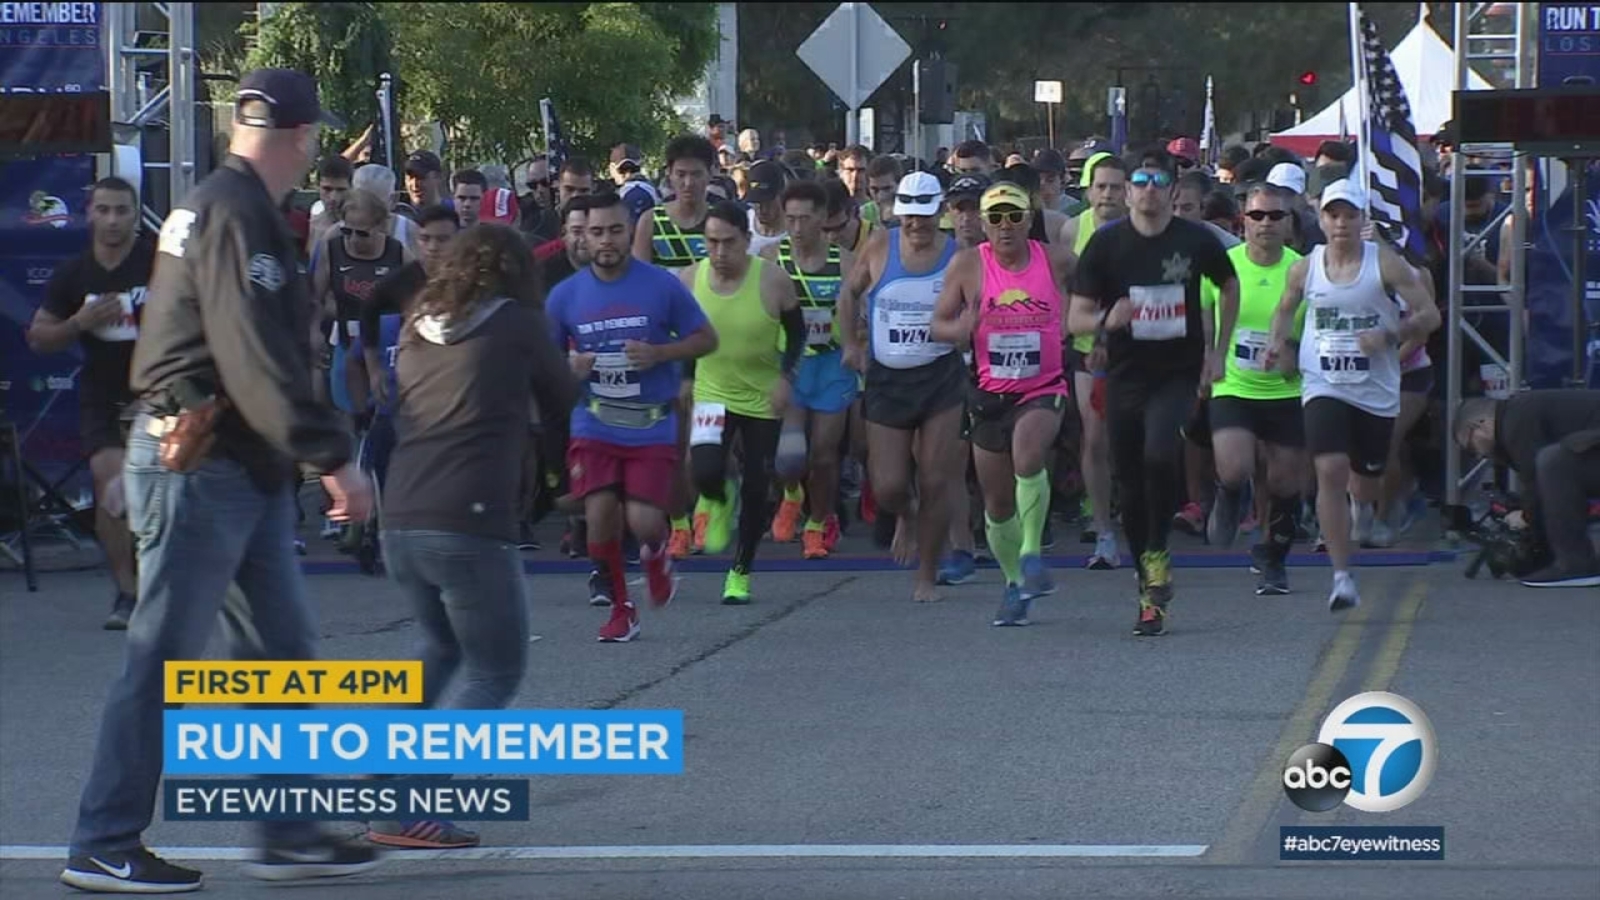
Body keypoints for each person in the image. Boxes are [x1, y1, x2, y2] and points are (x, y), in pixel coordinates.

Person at [61, 68, 379, 894]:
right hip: (202, 463)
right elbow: (256, 360)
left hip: (236, 463)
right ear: (303, 137)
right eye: (313, 137)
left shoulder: (217, 203)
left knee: (281, 652)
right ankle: (103, 838)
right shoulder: (236, 214)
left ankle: (289, 832)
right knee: (163, 657)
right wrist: (335, 457)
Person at [370, 224, 577, 848]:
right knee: (496, 669)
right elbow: (562, 395)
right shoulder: (513, 323)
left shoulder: (415, 326)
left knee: (438, 649)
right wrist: (576, 370)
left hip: (401, 512)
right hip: (470, 516)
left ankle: (382, 782)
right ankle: (407, 804)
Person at [1068, 149, 1239, 637]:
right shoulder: (1105, 246)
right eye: (1138, 182)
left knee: (1161, 454)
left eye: (1156, 181)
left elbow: (1228, 287)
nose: (1146, 189)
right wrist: (1106, 320)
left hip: (1177, 372)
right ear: (1126, 193)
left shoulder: (1194, 239)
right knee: (1129, 480)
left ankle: (1159, 551)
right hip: (1125, 374)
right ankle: (1149, 588)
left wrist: (1217, 350)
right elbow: (1074, 318)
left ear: (1171, 190)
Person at [547, 192, 719, 641]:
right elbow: (542, 363)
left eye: (615, 231)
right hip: (594, 420)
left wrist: (661, 352)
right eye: (596, 232)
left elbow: (706, 339)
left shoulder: (661, 285)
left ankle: (657, 552)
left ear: (630, 233)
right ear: (583, 236)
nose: (606, 241)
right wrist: (569, 366)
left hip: (650, 421)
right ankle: (622, 609)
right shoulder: (565, 296)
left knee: (644, 520)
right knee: (600, 514)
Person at [1267, 179, 1439, 612]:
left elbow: (1430, 315)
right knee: (1330, 469)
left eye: (1349, 215)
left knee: (1365, 481)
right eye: (1333, 215)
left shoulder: (1386, 264)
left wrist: (1390, 334)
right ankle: (1341, 577)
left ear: (1362, 219)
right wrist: (1277, 343)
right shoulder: (1306, 267)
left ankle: (1363, 507)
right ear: (1321, 220)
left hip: (1374, 389)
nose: (1341, 223)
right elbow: (1285, 309)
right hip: (1323, 382)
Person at [931, 182, 1077, 626]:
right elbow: (938, 326)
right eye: (996, 219)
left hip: (1044, 385)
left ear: (1029, 218)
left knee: (1029, 455)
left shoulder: (1057, 261)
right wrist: (964, 326)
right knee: (996, 504)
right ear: (984, 225)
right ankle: (1016, 584)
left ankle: (1032, 554)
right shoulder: (968, 266)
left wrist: (1077, 321)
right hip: (989, 392)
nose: (1006, 226)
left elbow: (1094, 296)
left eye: (1015, 216)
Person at [27, 177, 155, 630]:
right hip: (102, 392)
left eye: (122, 211)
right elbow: (40, 338)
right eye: (104, 210)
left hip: (159, 391)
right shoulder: (75, 274)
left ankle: (169, 581)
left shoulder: (158, 262)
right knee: (111, 485)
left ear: (135, 215)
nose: (113, 220)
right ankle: (126, 591)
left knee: (167, 494)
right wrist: (78, 323)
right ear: (89, 213)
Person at [839, 171, 967, 603]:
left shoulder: (957, 255)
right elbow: (848, 293)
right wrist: (851, 344)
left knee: (936, 478)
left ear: (939, 213)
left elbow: (980, 304)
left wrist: (966, 331)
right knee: (890, 485)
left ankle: (927, 573)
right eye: (910, 215)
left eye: (925, 215)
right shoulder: (879, 247)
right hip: (888, 379)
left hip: (940, 377)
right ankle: (906, 516)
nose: (917, 224)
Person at [681, 201, 805, 602]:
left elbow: (797, 334)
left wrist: (786, 378)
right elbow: (679, 337)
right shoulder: (689, 280)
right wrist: (684, 379)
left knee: (756, 485)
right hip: (711, 393)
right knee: (703, 469)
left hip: (761, 396)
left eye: (728, 243)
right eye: (711, 243)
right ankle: (717, 498)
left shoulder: (773, 280)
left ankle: (740, 571)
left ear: (747, 241)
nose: (719, 252)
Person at [1198, 185, 1307, 596]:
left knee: (1284, 483)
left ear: (1289, 224)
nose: (1265, 224)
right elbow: (1205, 315)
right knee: (1234, 466)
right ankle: (1229, 495)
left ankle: (1272, 560)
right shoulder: (1222, 265)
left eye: (1275, 216)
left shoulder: (1302, 269)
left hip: (1285, 389)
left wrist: (1292, 351)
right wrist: (1207, 358)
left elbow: (1315, 328)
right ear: (1242, 220)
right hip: (1235, 385)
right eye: (1257, 216)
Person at [761, 181, 856, 556]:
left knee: (824, 454)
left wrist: (853, 343)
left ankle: (818, 523)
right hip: (792, 364)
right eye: (791, 219)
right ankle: (791, 493)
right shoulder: (771, 258)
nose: (797, 228)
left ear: (822, 218)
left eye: (805, 219)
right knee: (789, 456)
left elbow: (856, 311)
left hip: (832, 364)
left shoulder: (844, 261)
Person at [1453, 390, 1600, 587]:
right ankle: (1566, 558)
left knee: (1554, 462)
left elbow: (1534, 481)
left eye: (1471, 447)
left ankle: (1576, 564)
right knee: (1557, 463)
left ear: (1480, 424)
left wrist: (1524, 517)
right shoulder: (1521, 411)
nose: (1478, 455)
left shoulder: (1516, 420)